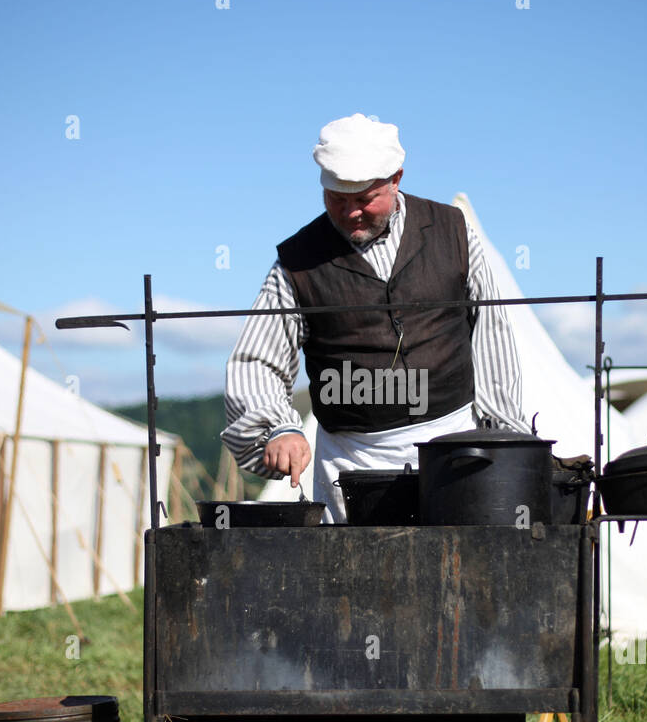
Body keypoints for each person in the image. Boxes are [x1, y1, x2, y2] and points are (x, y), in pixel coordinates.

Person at [222, 113, 525, 521]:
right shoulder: (297, 261)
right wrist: (279, 427)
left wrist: (503, 438)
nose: (351, 213)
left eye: (364, 199)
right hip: (350, 459)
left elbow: (492, 335)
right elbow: (256, 361)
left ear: (396, 178)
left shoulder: (453, 232)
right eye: (337, 200)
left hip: (453, 449)